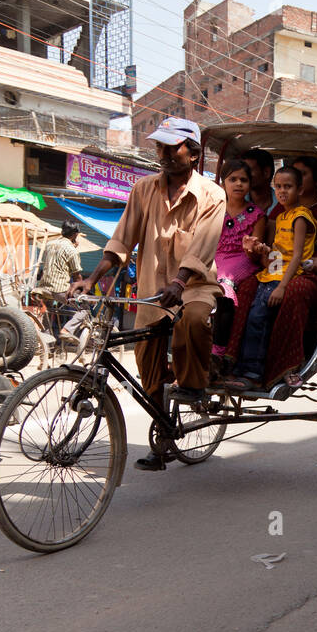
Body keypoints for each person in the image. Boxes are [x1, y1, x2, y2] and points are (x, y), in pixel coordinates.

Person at [68, 117, 225, 470]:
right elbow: (122, 239)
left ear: (194, 154)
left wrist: (181, 282)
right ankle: (164, 436)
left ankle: (193, 385)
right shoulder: (143, 190)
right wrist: (92, 280)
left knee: (195, 320)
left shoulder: (213, 195)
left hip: (193, 286)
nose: (164, 154)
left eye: (173, 147)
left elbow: (201, 247)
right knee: (147, 363)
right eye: (160, 147)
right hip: (153, 291)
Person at [222, 166, 314, 389]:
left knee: (258, 318)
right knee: (249, 315)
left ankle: (253, 373)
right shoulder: (281, 216)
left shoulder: (300, 217)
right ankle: (237, 367)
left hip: (285, 277)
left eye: (288, 187)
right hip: (272, 273)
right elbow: (277, 255)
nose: (282, 192)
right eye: (279, 187)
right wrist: (262, 250)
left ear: (300, 189)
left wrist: (282, 287)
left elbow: (297, 256)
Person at [208, 160, 268, 357]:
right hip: (215, 257)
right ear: (223, 183)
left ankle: (219, 349)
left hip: (241, 259)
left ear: (250, 184)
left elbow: (256, 251)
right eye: (232, 179)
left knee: (224, 286)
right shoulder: (213, 209)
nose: (238, 184)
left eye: (243, 180)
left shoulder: (257, 214)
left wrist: (250, 248)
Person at [33, 220, 85, 341]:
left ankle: (47, 343)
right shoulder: (72, 250)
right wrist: (83, 291)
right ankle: (67, 330)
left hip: (42, 287)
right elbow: (77, 277)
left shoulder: (50, 244)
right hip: (59, 289)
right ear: (75, 234)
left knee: (48, 311)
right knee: (84, 308)